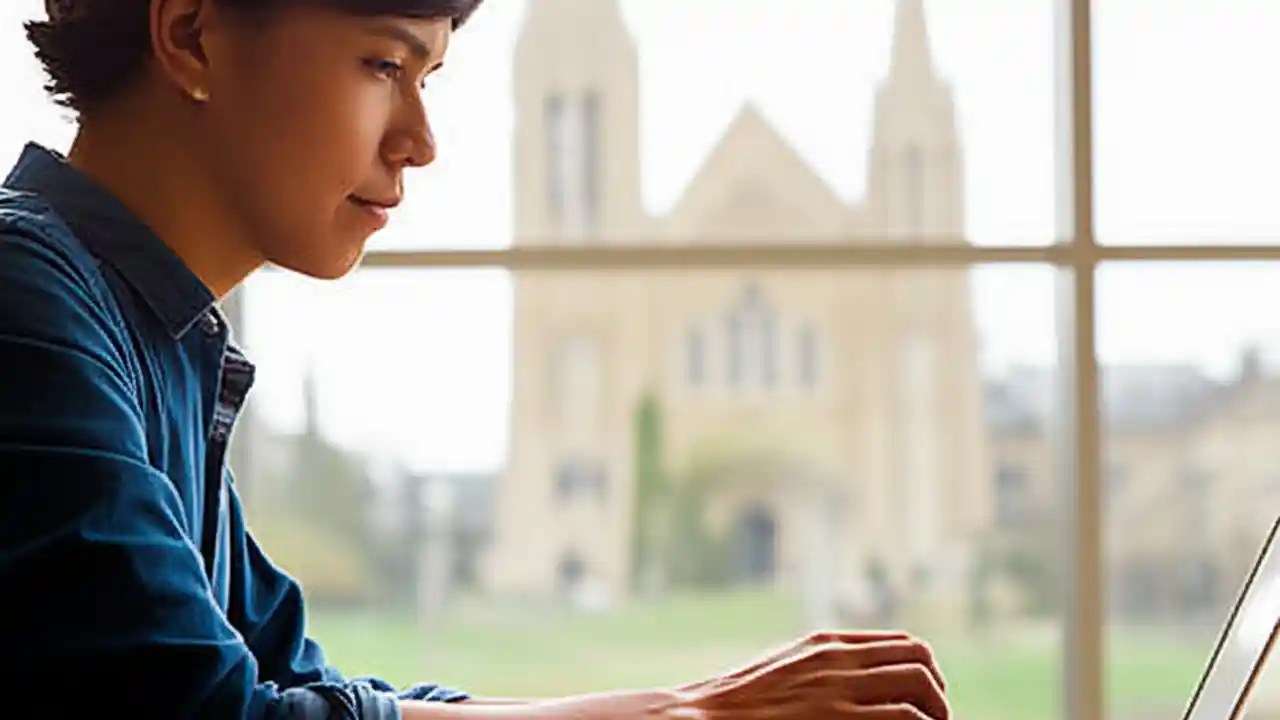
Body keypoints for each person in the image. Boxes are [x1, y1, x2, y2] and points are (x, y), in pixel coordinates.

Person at [0, 1, 953, 718]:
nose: (421, 141)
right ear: (194, 36)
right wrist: (688, 715)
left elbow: (299, 683)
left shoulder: (153, 335)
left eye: (430, 79)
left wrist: (689, 705)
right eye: (383, 64)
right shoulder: (25, 302)